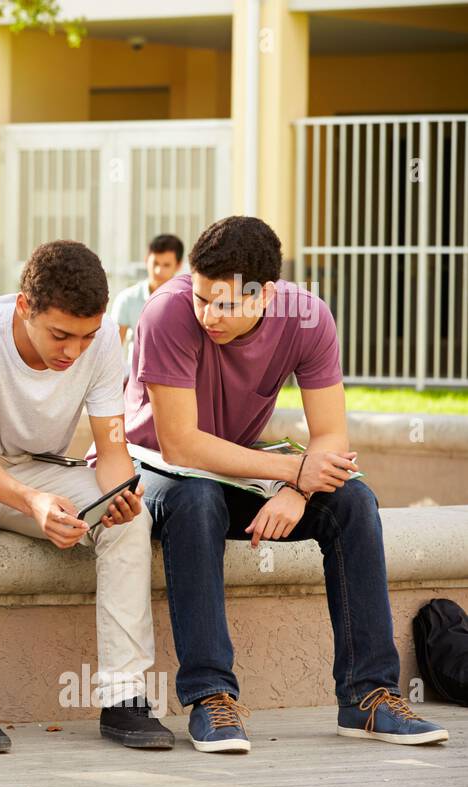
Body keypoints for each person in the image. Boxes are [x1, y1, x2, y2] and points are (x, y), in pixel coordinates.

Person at [130, 215, 448, 752]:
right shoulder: (168, 313)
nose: (209, 314)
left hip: (244, 469)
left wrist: (298, 491)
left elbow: (329, 434)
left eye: (226, 304)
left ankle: (367, 697)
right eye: (203, 298)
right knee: (197, 497)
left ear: (268, 294)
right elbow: (180, 444)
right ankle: (210, 696)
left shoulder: (307, 318)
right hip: (157, 468)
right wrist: (289, 472)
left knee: (352, 499)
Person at [0, 240, 172, 754]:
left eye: (85, 337)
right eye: (60, 335)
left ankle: (125, 697)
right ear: (25, 307)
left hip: (31, 469)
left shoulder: (102, 338)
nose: (73, 351)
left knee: (129, 520)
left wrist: (119, 494)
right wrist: (33, 503)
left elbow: (110, 447)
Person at [109, 234, 183, 371]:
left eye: (166, 265)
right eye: (155, 263)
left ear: (178, 265)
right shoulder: (127, 299)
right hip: (136, 378)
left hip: (177, 376)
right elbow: (112, 348)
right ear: (146, 260)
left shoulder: (187, 301)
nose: (158, 271)